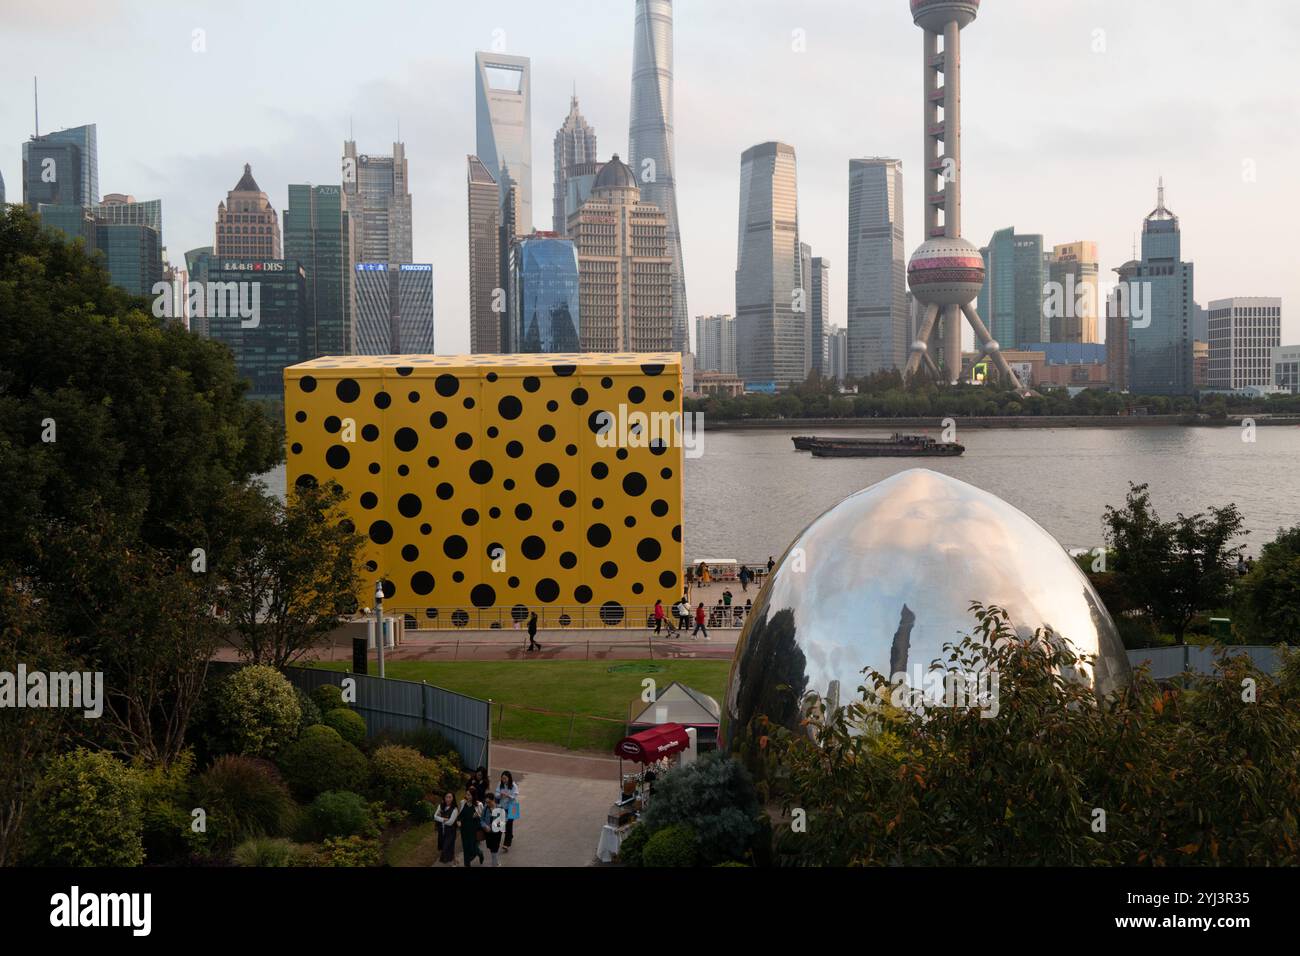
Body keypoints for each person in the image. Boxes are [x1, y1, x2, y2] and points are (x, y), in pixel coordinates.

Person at [458, 789, 485, 867]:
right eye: (466, 794)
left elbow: (482, 816)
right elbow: (460, 815)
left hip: (474, 829)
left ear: (473, 796)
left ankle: (480, 853)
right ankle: (467, 864)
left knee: (473, 848)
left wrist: (477, 815)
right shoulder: (463, 802)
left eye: (469, 795)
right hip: (464, 829)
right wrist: (458, 821)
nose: (467, 796)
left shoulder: (478, 804)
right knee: (465, 848)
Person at [433, 791, 458, 865]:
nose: (448, 799)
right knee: (444, 846)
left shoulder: (455, 809)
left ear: (453, 798)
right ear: (444, 798)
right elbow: (435, 816)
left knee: (447, 847)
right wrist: (444, 819)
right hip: (442, 830)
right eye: (446, 797)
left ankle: (447, 860)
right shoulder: (441, 806)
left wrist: (440, 818)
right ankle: (453, 861)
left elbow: (450, 822)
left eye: (450, 797)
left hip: (450, 832)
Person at [496, 771, 519, 852]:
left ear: (509, 778)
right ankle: (510, 836)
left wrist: (508, 795)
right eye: (502, 778)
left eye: (505, 778)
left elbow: (515, 795)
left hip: (513, 807)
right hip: (503, 806)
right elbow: (496, 794)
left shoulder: (513, 785)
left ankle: (507, 844)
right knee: (503, 824)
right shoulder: (500, 784)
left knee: (509, 824)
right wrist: (500, 795)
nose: (503, 780)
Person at [481, 793, 503, 866]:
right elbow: (481, 820)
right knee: (491, 847)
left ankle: (494, 863)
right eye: (486, 802)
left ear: (493, 800)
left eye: (489, 802)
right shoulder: (485, 808)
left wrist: (495, 826)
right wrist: (485, 826)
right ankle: (496, 862)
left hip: (497, 832)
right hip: (488, 832)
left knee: (495, 846)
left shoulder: (499, 808)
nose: (488, 804)